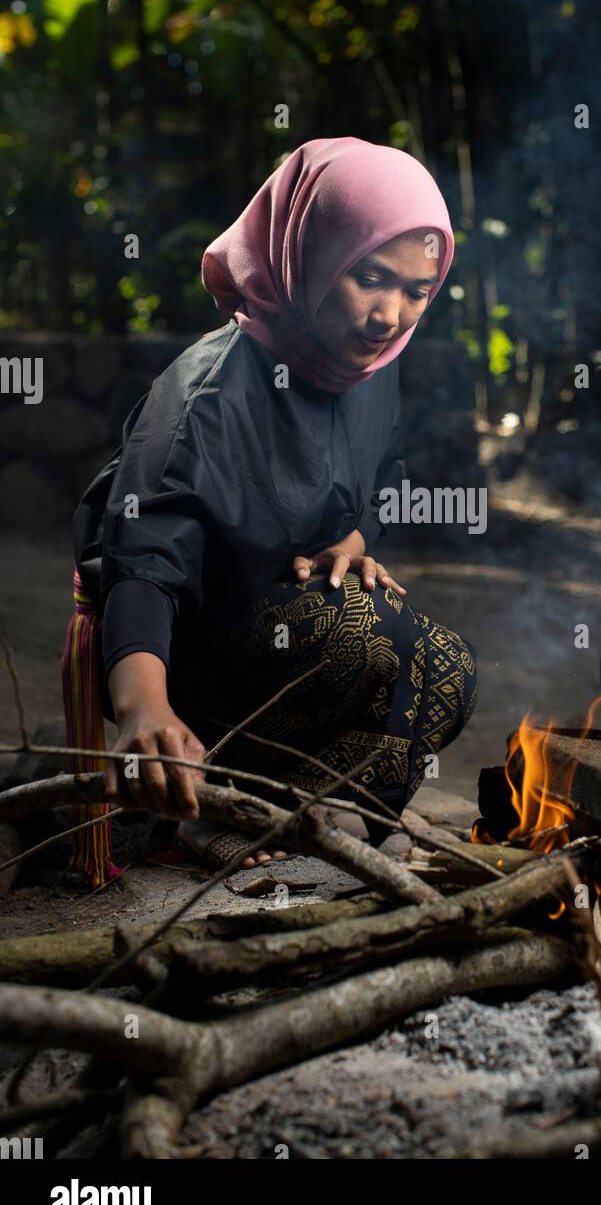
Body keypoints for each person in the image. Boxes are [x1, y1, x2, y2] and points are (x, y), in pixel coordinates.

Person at [67, 137, 477, 879]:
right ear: (308, 251)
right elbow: (142, 564)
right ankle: (211, 806)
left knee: (449, 666)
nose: (391, 315)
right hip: (184, 659)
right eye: (370, 278)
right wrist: (143, 708)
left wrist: (353, 536)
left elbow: (384, 475)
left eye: (418, 290)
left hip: (295, 633)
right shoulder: (210, 391)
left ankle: (293, 808)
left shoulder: (371, 366)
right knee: (369, 632)